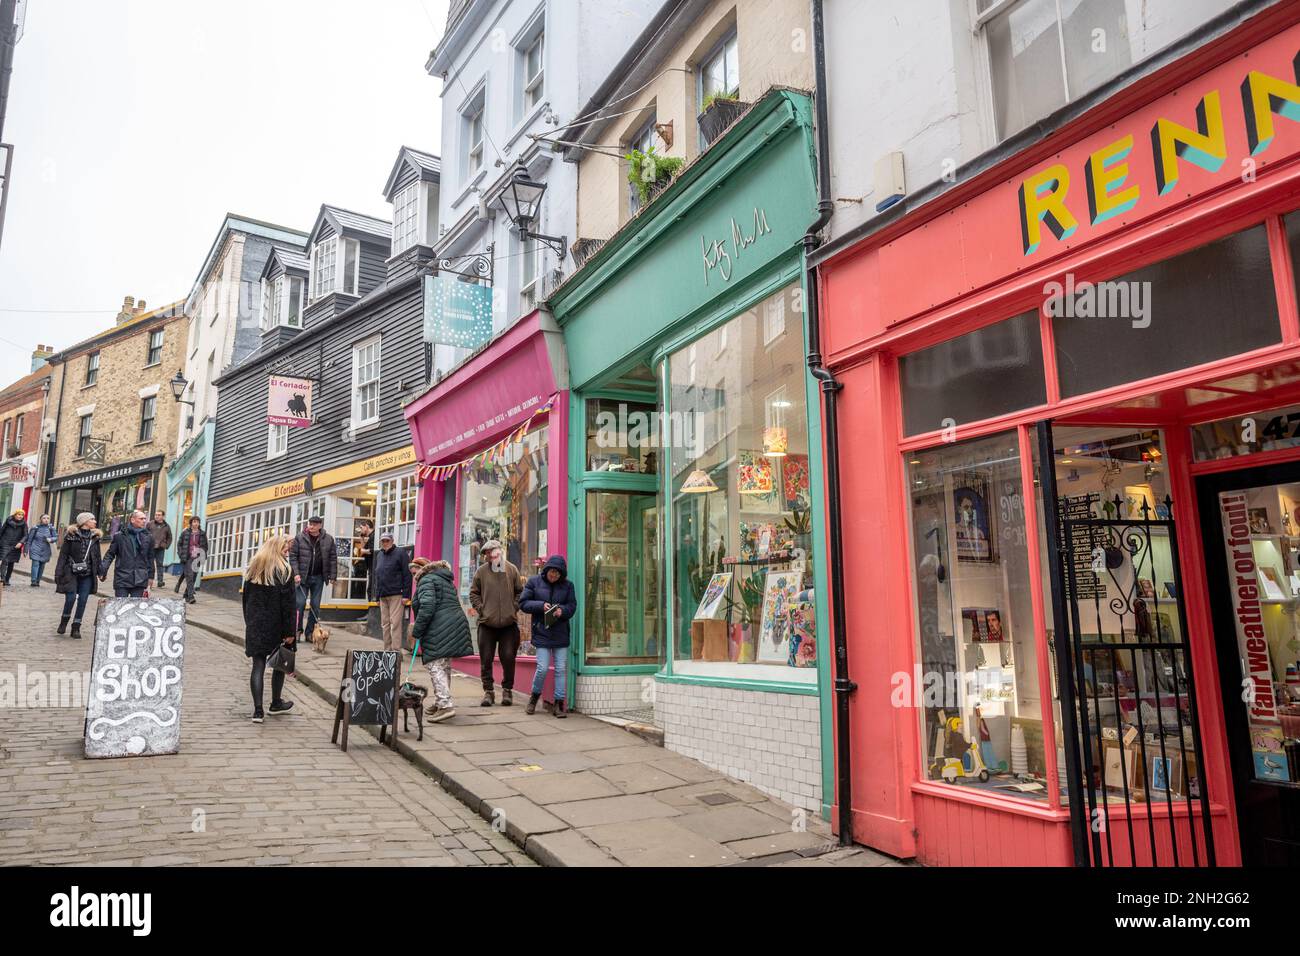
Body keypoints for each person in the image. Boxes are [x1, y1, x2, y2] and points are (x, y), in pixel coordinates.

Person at [242, 534, 297, 723]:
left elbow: (246, 600)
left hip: (256, 624)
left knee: (258, 665)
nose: (287, 553)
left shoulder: (253, 570)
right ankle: (275, 703)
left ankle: (258, 711)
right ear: (275, 549)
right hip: (277, 625)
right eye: (285, 549)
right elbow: (289, 605)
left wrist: (249, 622)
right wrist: (290, 632)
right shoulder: (284, 571)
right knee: (279, 665)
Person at [412, 559, 472, 723]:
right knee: (444, 665)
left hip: (439, 626)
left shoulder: (426, 580)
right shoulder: (444, 580)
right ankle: (440, 702)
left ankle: (445, 705)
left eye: (414, 571)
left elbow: (427, 606)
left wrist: (417, 630)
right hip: (454, 623)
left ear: (422, 570)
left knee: (435, 665)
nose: (413, 574)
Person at [519, 555, 578, 717]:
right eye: (552, 572)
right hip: (542, 632)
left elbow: (572, 606)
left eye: (558, 574)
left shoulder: (568, 586)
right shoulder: (534, 582)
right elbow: (523, 603)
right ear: (546, 570)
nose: (554, 576)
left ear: (562, 574)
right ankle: (534, 698)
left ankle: (559, 704)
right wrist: (540, 606)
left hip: (560, 633)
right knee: (542, 668)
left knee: (560, 669)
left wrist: (562, 611)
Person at [468, 538, 523, 707]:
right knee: (486, 659)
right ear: (486, 556)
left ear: (499, 553)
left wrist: (513, 607)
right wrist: (481, 608)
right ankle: (488, 692)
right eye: (489, 556)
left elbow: (520, 592)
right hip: (487, 623)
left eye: (494, 554)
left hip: (508, 624)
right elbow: (473, 593)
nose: (492, 558)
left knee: (508, 657)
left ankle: (507, 691)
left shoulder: (512, 569)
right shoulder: (481, 572)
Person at [54, 513, 103, 638]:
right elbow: (63, 555)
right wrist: (58, 572)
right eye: (92, 519)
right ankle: (64, 622)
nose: (95, 521)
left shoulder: (95, 538)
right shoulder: (71, 536)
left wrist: (101, 572)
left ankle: (76, 627)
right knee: (70, 599)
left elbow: (97, 557)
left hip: (87, 574)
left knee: (83, 600)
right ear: (84, 521)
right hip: (71, 572)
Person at [289, 515, 336, 640]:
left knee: (315, 605)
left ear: (320, 526)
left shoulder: (328, 539)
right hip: (302, 576)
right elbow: (293, 556)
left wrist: (333, 575)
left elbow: (332, 558)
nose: (311, 526)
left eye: (314, 524)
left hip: (319, 577)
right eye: (310, 523)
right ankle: (297, 631)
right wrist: (296, 573)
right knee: (300, 603)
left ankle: (310, 633)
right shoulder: (300, 537)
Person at [100, 509, 154, 598]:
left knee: (135, 608)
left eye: (145, 519)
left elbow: (150, 558)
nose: (144, 521)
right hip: (122, 577)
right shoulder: (119, 536)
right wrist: (103, 570)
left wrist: (151, 577)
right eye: (141, 519)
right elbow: (110, 554)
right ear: (132, 520)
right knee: (120, 607)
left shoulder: (148, 537)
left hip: (140, 578)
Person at [373, 531, 412, 651]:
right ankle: (387, 650)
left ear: (392, 541)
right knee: (385, 624)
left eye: (387, 541)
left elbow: (407, 575)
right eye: (383, 541)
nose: (385, 543)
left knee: (395, 624)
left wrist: (406, 595)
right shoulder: (379, 555)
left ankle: (395, 652)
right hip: (383, 595)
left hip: (397, 594)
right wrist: (377, 596)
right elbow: (378, 576)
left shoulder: (401, 553)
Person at [175, 516, 208, 604]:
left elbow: (205, 546)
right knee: (189, 576)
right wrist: (181, 554)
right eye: (194, 522)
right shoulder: (185, 533)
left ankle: (185, 595)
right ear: (191, 523)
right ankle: (191, 596)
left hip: (197, 557)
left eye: (197, 522)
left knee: (193, 577)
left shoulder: (202, 534)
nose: (196, 523)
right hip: (187, 557)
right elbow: (179, 544)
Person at [24, 514, 58, 587]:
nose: (46, 519)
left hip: (45, 549)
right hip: (35, 548)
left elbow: (55, 537)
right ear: (41, 519)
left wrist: (51, 539)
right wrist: (26, 550)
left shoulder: (51, 528)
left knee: (42, 565)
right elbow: (29, 540)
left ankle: (38, 581)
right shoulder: (35, 528)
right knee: (35, 564)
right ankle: (33, 581)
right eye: (44, 518)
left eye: (48, 518)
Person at [145, 510, 173, 589]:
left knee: (160, 564)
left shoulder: (166, 526)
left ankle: (160, 581)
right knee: (150, 564)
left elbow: (170, 537)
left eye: (159, 515)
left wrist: (166, 545)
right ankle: (149, 581)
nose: (157, 516)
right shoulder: (150, 524)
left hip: (161, 548)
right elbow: (144, 534)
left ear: (163, 516)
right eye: (156, 514)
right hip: (151, 547)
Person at [0, 508, 28, 586]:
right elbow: (1, 531)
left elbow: (26, 535)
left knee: (11, 563)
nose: (20, 516)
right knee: (4, 560)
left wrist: (20, 542)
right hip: (5, 543)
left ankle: (7, 579)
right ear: (15, 515)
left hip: (15, 546)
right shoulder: (8, 521)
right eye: (19, 514)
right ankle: (2, 578)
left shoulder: (24, 524)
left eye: (22, 515)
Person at [355, 520, 375, 600]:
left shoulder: (374, 536)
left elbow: (372, 550)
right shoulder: (370, 536)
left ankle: (371, 610)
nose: (360, 529)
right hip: (370, 566)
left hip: (373, 565)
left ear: (366, 526)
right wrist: (361, 537)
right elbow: (364, 548)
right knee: (370, 589)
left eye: (361, 527)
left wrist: (363, 551)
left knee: (370, 589)